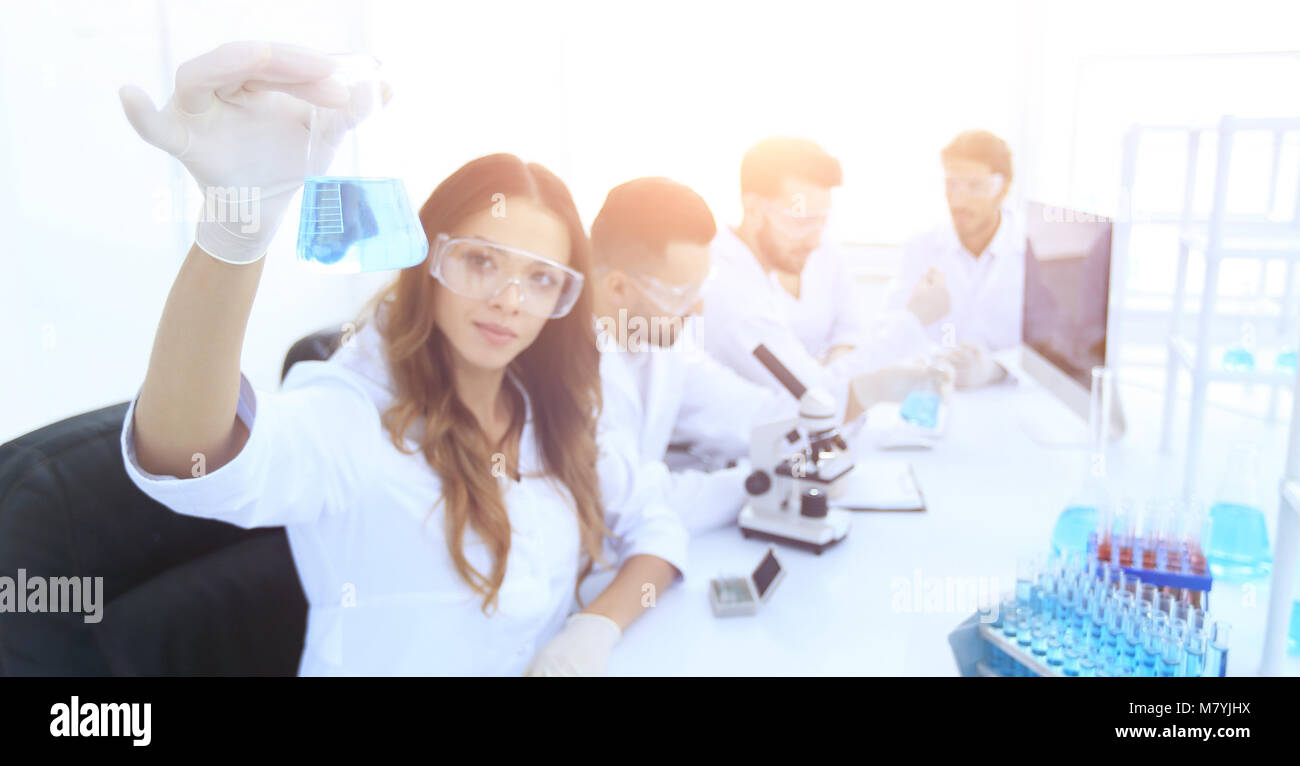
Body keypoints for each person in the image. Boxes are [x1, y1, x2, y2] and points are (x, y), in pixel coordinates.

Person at [116, 42, 685, 676]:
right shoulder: (352, 414)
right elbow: (188, 458)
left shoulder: (552, 410)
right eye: (480, 260)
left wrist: (597, 626)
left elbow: (657, 529)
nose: (508, 300)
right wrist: (234, 233)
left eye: (542, 278)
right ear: (428, 260)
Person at [590, 177, 800, 534]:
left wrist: (814, 427)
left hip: (644, 551)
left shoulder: (664, 346)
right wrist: (759, 479)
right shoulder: (569, 369)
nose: (698, 308)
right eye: (681, 294)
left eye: (701, 288)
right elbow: (625, 500)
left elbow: (746, 413)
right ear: (618, 288)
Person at [700, 136, 947, 418]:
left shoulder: (776, 259)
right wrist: (912, 321)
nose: (815, 241)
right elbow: (818, 398)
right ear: (754, 209)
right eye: (801, 221)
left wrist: (836, 362)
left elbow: (849, 331)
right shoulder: (729, 291)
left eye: (822, 221)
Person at [889, 130, 1025, 384]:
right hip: (934, 392)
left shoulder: (1034, 256)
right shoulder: (920, 248)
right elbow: (891, 334)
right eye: (952, 184)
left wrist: (996, 368)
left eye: (975, 186)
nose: (959, 199)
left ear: (1003, 187)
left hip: (1008, 395)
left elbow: (1051, 355)